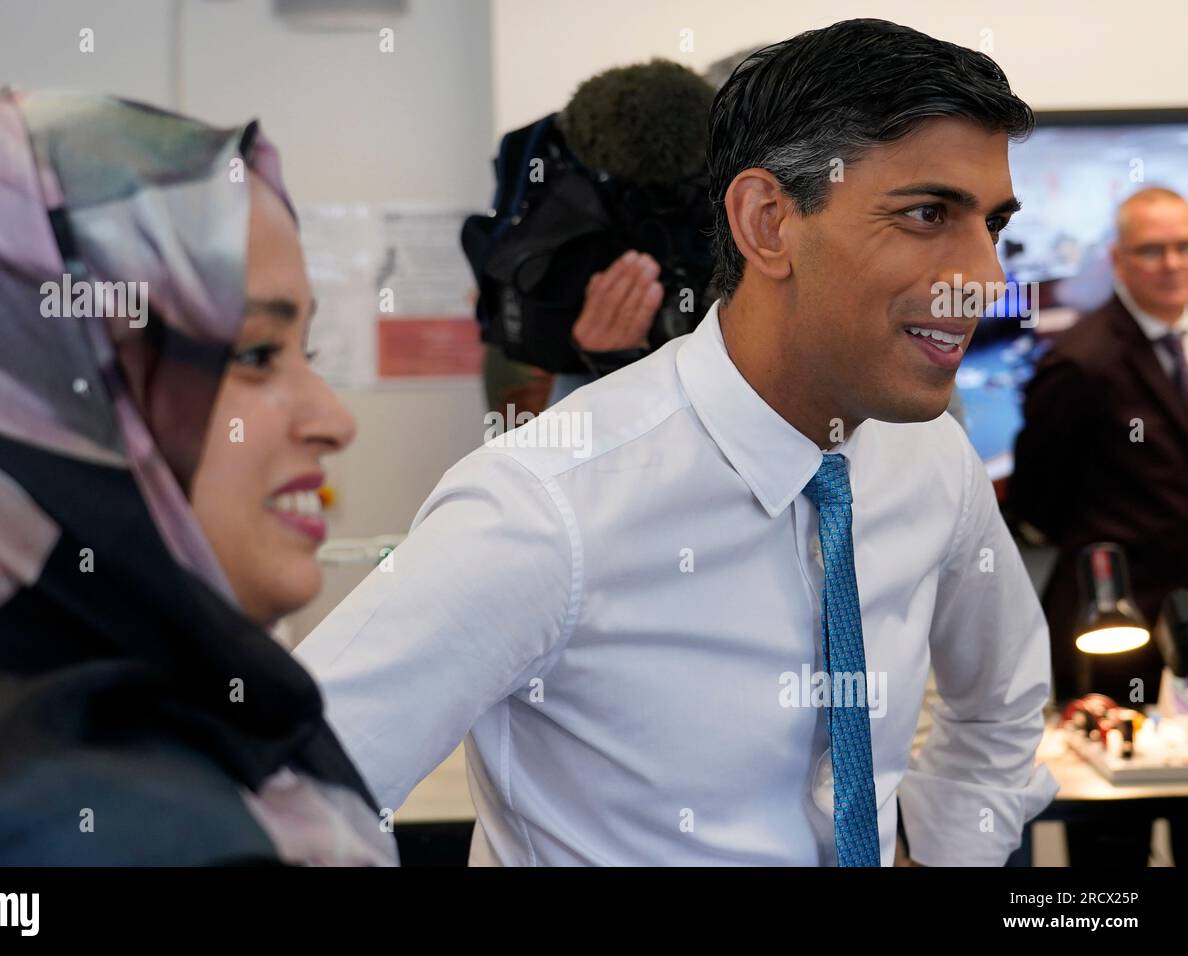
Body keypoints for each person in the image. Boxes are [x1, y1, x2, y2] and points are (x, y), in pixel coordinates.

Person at [297, 18, 1058, 866]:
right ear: (768, 221)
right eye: (926, 214)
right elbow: (290, 797)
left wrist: (954, 855)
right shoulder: (544, 507)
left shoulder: (930, 460)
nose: (987, 280)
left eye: (991, 224)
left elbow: (1000, 705)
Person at [0, 90, 394, 866]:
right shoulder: (129, 835)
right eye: (254, 354)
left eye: (308, 353)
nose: (334, 420)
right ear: (46, 405)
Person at [1007, 186, 1188, 866]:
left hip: (1186, 626)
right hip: (1113, 631)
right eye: (1152, 249)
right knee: (1110, 847)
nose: (1171, 263)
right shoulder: (1081, 362)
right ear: (1118, 259)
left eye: (1183, 246)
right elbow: (1039, 505)